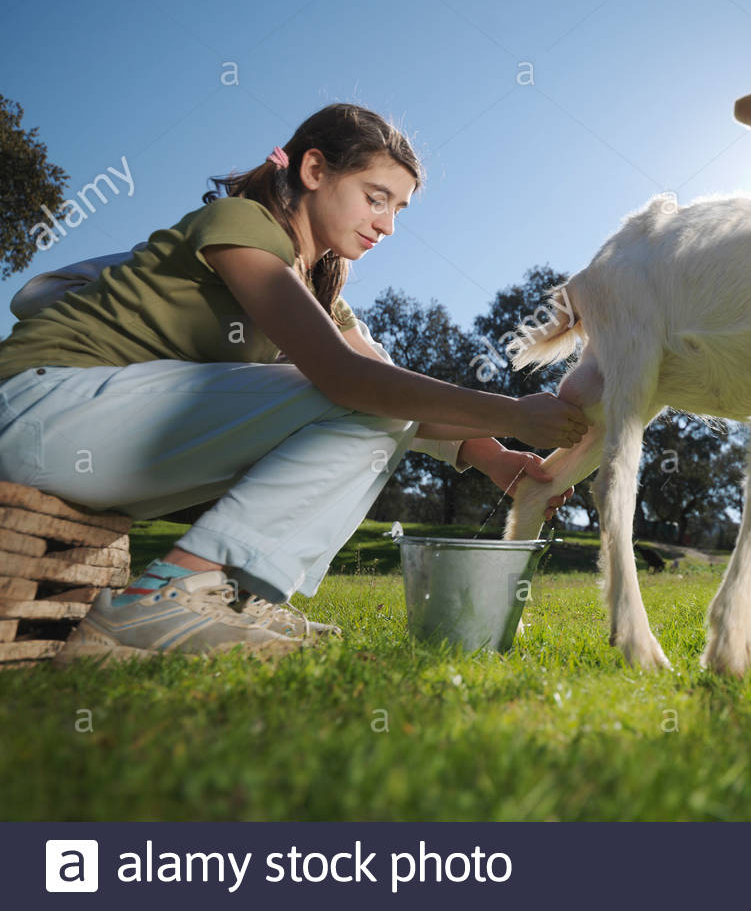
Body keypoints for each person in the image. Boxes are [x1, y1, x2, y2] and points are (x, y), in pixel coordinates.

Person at [0, 102, 585, 664]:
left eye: (398, 210)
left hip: (100, 443)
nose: (385, 224)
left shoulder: (319, 292)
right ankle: (169, 595)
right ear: (313, 170)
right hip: (35, 409)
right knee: (361, 392)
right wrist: (512, 411)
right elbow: (347, 381)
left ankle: (228, 598)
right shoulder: (239, 224)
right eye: (375, 198)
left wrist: (495, 458)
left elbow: (387, 395)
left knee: (378, 397)